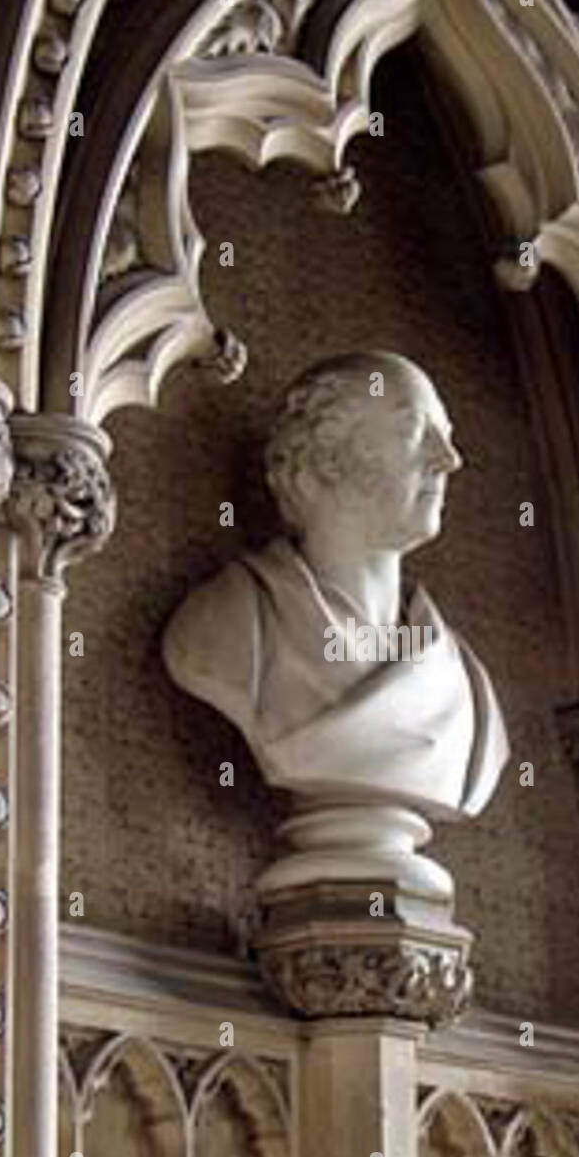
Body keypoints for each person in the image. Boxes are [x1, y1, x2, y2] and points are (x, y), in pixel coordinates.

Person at [162, 351, 508, 821]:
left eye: (446, 438)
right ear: (325, 457)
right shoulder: (229, 628)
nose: (448, 460)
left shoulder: (462, 683)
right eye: (413, 430)